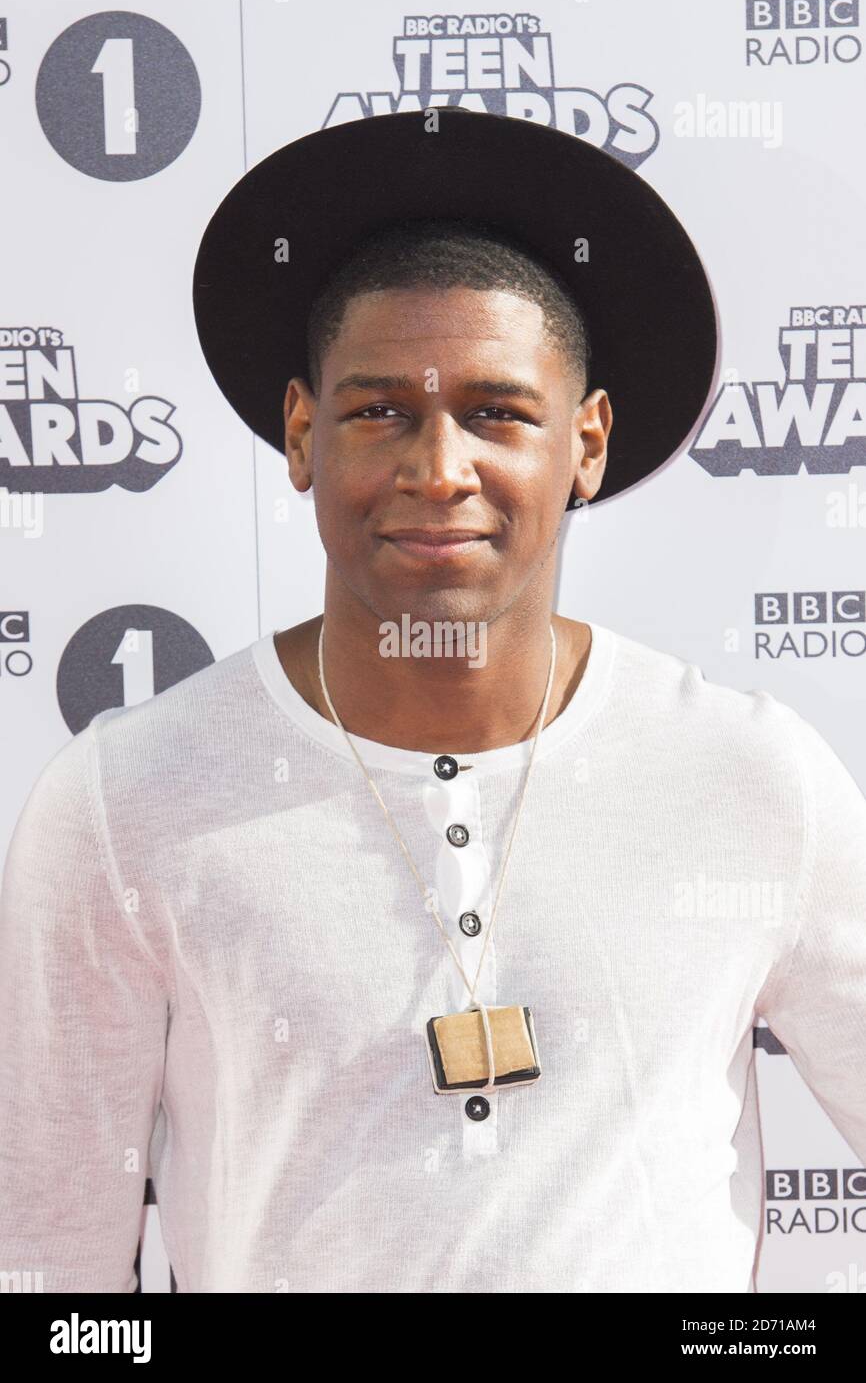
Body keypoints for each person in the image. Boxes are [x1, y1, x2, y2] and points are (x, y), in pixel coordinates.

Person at [1, 109, 864, 1294]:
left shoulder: (748, 775)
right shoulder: (123, 799)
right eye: (379, 413)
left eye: (497, 413)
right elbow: (45, 1271)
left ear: (586, 442)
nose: (438, 468)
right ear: (301, 435)